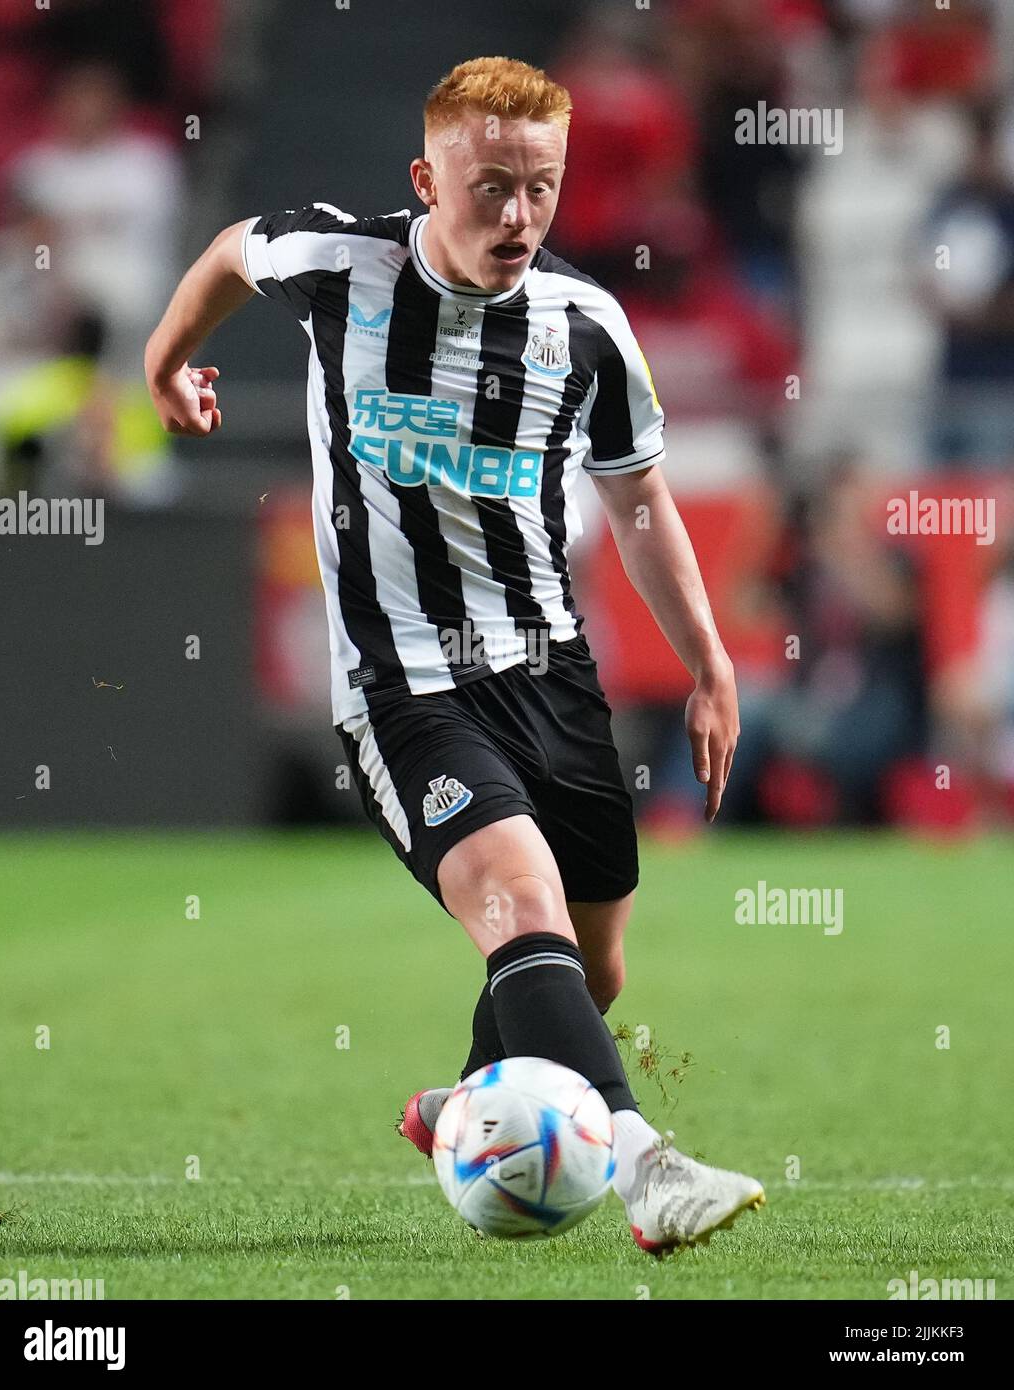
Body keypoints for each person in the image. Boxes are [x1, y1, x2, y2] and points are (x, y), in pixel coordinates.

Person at [144, 56, 764, 1255]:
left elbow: (637, 502)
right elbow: (229, 245)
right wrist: (167, 363)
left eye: (541, 188)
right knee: (517, 906)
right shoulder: (342, 267)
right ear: (427, 178)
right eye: (489, 187)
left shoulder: (586, 327)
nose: (519, 217)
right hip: (404, 685)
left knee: (588, 972)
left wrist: (709, 661)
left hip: (552, 673)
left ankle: (466, 1101)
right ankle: (645, 1162)